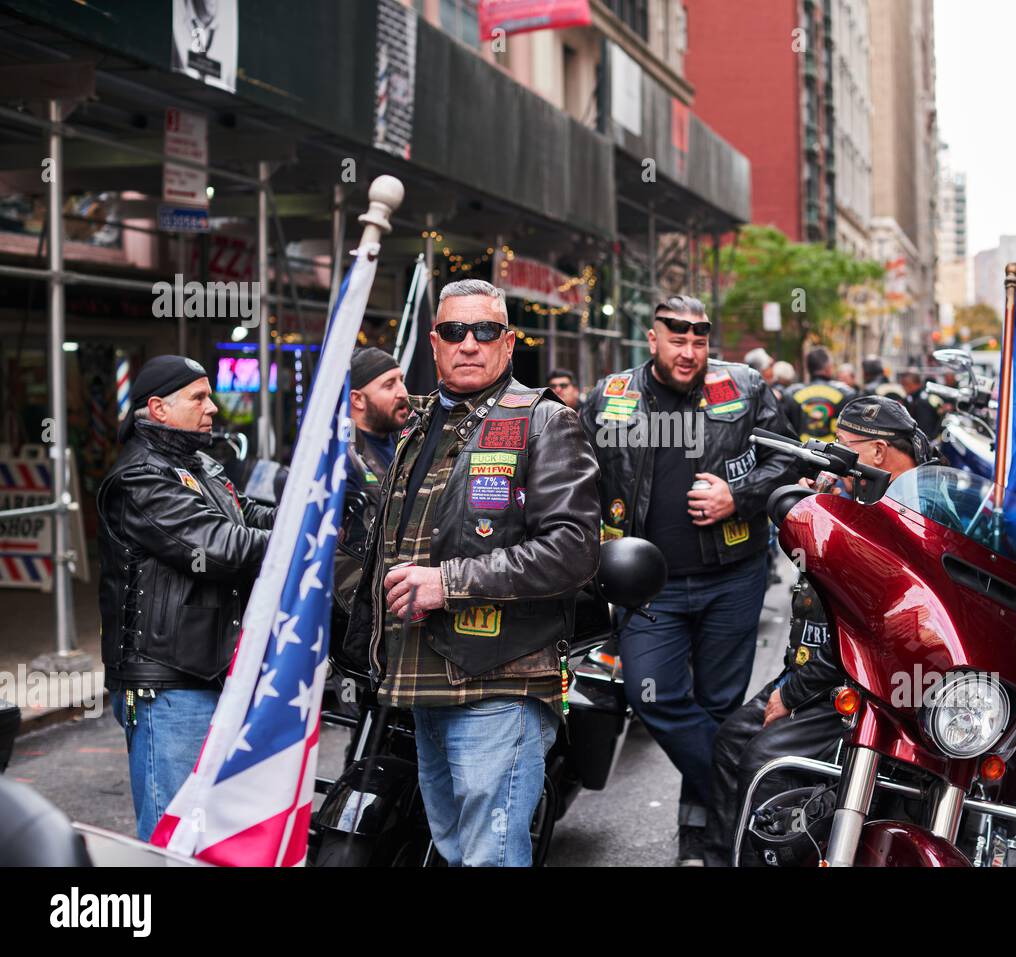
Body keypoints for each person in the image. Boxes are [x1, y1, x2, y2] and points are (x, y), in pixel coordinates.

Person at [343, 279, 600, 867]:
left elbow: (572, 551)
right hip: (417, 680)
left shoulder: (545, 421)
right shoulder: (418, 425)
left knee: (490, 857)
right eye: (454, 331)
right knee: (458, 851)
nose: (469, 344)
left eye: (485, 331)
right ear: (434, 343)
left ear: (507, 343)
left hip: (498, 679)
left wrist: (449, 582)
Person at [579, 295, 796, 864]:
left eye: (699, 340)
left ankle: (704, 841)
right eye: (677, 340)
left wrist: (738, 497)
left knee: (720, 706)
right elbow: (573, 478)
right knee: (652, 695)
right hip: (649, 588)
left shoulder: (745, 387)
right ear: (652, 339)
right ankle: (748, 790)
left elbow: (789, 462)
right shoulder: (611, 397)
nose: (689, 351)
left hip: (733, 577)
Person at [703, 395, 925, 867]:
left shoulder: (913, 509)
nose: (838, 460)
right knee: (730, 739)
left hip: (864, 682)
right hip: (817, 666)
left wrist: (793, 693)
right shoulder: (864, 492)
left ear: (880, 452)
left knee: (764, 759)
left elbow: (868, 624)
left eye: (847, 448)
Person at [97, 355, 276, 840]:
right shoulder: (141, 477)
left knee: (214, 836)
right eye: (198, 397)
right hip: (168, 686)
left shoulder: (194, 463)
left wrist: (304, 511)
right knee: (173, 839)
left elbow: (247, 515)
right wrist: (304, 536)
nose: (212, 407)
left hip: (212, 674)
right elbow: (218, 547)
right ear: (157, 408)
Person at [335, 348, 411, 617]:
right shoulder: (340, 459)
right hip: (365, 609)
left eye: (401, 380)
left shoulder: (408, 440)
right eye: (389, 385)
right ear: (357, 399)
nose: (402, 392)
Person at [786, 347, 855, 441]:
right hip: (834, 453)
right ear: (828, 367)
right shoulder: (846, 393)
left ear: (808, 368)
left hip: (800, 451)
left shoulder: (791, 393)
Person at [898, 368, 942, 439]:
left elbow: (924, 428)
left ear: (910, 384)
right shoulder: (913, 398)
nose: (903, 388)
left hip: (926, 440)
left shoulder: (923, 401)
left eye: (904, 385)